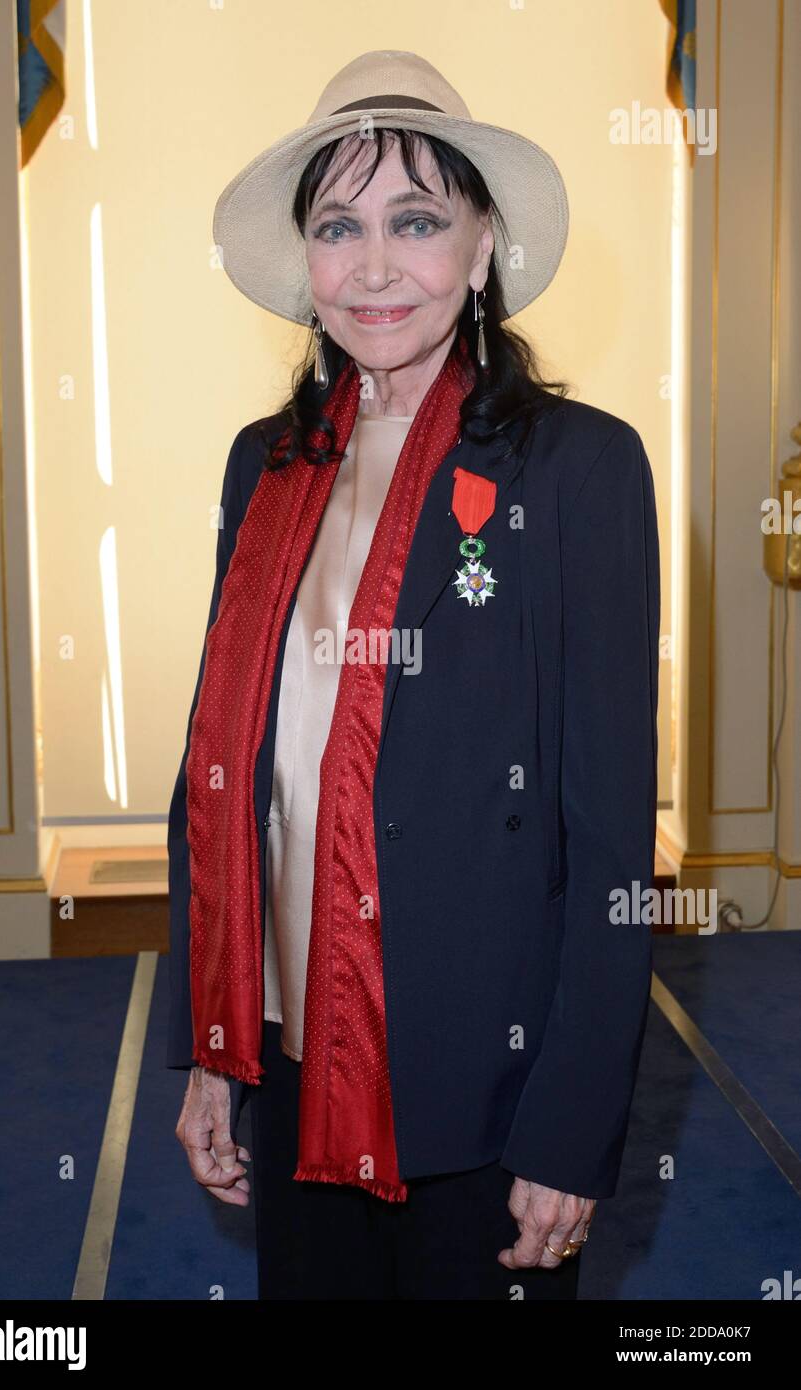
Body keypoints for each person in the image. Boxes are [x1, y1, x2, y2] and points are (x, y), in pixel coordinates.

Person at [167, 49, 660, 1301]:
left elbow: (609, 841)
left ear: (482, 245)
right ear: (304, 261)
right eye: (339, 226)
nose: (374, 265)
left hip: (479, 1093)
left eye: (416, 220)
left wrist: (569, 1128)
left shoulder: (576, 469)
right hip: (288, 1060)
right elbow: (215, 778)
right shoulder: (260, 466)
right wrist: (210, 1047)